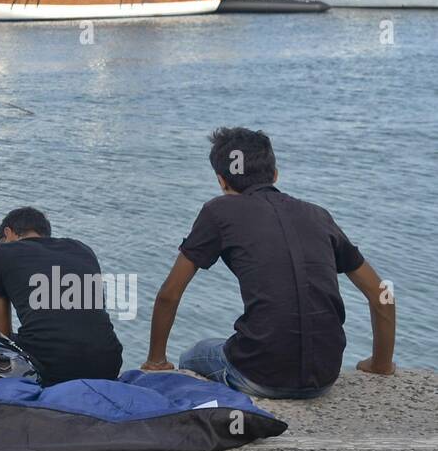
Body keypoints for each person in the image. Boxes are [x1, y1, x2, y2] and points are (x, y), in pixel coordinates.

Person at [143, 127, 397, 398]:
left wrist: (156, 361)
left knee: (194, 355)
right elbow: (382, 295)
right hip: (324, 377)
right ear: (275, 175)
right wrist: (380, 364)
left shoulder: (218, 211)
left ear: (221, 180)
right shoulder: (318, 215)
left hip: (259, 376)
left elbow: (170, 294)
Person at [0, 207, 123, 385]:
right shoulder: (83, 250)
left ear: (8, 233)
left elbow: (3, 337)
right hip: (109, 364)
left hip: (51, 367)